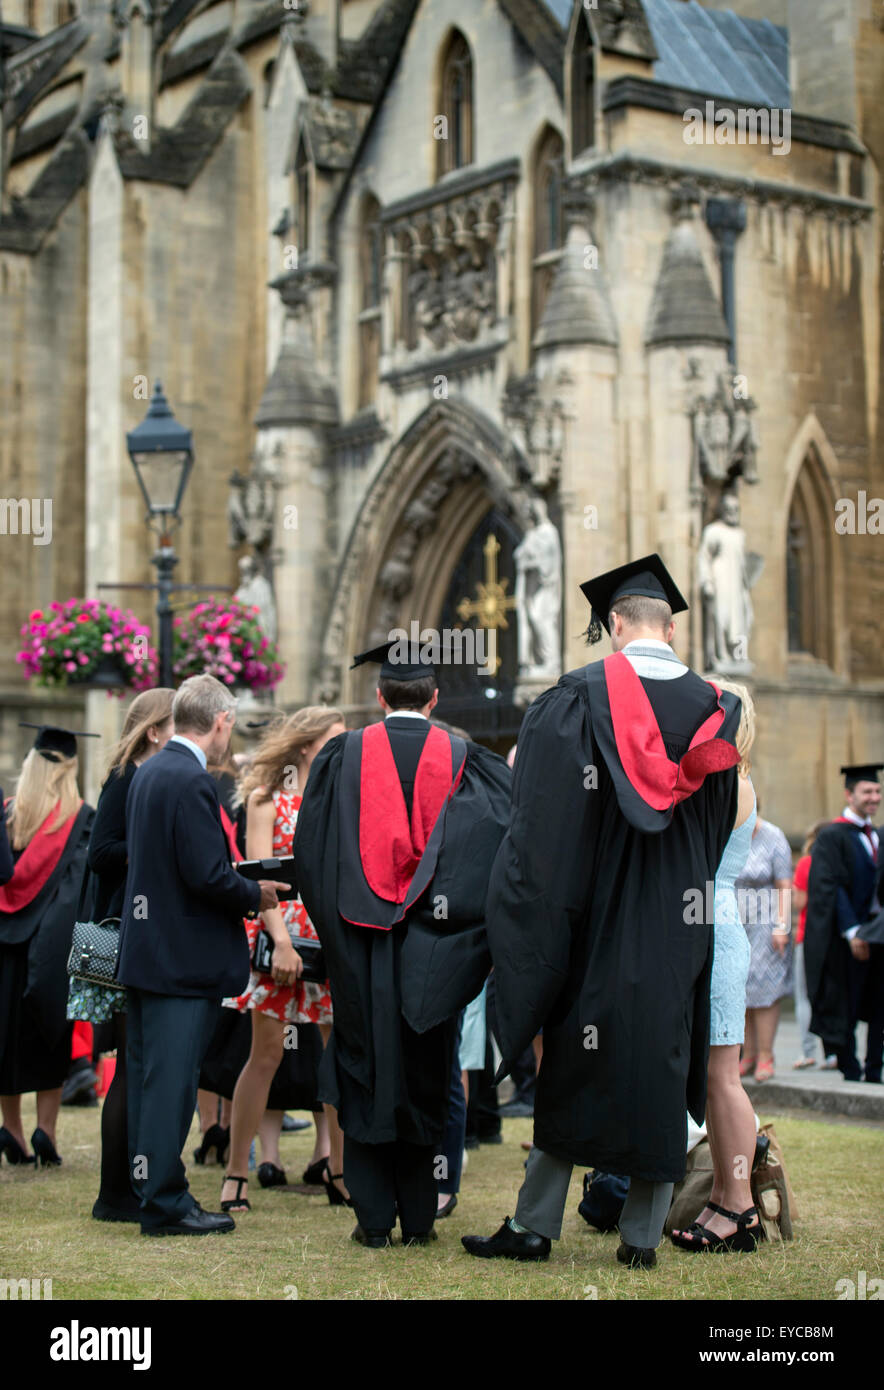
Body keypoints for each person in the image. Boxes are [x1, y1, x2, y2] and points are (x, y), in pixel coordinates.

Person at [462, 554, 741, 1270]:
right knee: (661, 1059)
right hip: (679, 915)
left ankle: (532, 1226)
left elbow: (544, 834)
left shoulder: (576, 699)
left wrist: (539, 919)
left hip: (594, 916)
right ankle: (641, 1238)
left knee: (574, 1068)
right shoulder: (717, 710)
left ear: (615, 625)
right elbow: (711, 828)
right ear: (670, 629)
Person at [292, 637, 511, 1247]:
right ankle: (419, 1218)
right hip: (435, 951)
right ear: (435, 698)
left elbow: (311, 857)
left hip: (362, 945)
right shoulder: (469, 759)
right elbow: (495, 855)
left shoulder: (343, 755)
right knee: (427, 1069)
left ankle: (372, 1222)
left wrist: (338, 934)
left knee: (363, 1067)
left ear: (379, 695)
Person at [116, 674, 288, 1236]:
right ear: (220, 722)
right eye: (230, 726)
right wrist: (254, 892)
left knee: (150, 1077)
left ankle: (151, 1190)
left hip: (150, 953)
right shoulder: (188, 779)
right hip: (178, 959)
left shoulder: (150, 771)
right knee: (171, 1082)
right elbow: (205, 874)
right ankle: (166, 1203)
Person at [219, 706, 347, 1214]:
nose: (342, 748)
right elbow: (257, 879)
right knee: (266, 1054)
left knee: (337, 1059)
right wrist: (284, 942)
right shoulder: (264, 799)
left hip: (330, 939)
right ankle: (235, 1173)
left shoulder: (341, 798)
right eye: (332, 740)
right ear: (304, 746)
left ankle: (339, 1171)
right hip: (279, 937)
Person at [67, 688, 175, 1220]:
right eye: (176, 726)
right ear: (153, 730)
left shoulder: (147, 777)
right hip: (124, 934)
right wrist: (154, 848)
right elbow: (100, 854)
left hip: (142, 930)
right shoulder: (126, 778)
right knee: (131, 1066)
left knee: (138, 1065)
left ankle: (128, 1188)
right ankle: (115, 1194)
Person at [670, 679, 761, 1252]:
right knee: (710, 1077)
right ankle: (725, 1198)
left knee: (722, 1077)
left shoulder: (732, 784)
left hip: (716, 928)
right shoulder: (729, 779)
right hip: (707, 922)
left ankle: (741, 1205)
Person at [0, 724, 97, 1167]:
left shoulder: (6, 816)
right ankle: (46, 1132)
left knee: (6, 1039)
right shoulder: (81, 820)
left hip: (4, 948)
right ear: (70, 769)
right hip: (50, 949)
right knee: (47, 1035)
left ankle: (12, 1133)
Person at [804, 763, 883, 1083]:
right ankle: (850, 1069)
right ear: (849, 795)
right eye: (867, 791)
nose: (874, 797)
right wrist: (853, 932)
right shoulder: (832, 837)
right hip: (845, 938)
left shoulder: (878, 835)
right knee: (846, 1005)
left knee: (880, 1004)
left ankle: (875, 1068)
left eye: (877, 791)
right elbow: (829, 887)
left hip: (879, 936)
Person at [737, 805, 794, 1082]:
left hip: (767, 920)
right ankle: (746, 1054)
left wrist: (782, 926)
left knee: (765, 987)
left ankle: (765, 1055)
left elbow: (785, 885)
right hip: (735, 919)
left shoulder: (774, 836)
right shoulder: (729, 833)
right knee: (741, 986)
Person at [791, 821, 830, 1069]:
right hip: (834, 938)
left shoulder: (806, 863)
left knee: (805, 996)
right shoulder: (836, 863)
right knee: (831, 995)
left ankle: (808, 1052)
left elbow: (799, 902)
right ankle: (834, 1053)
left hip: (807, 936)